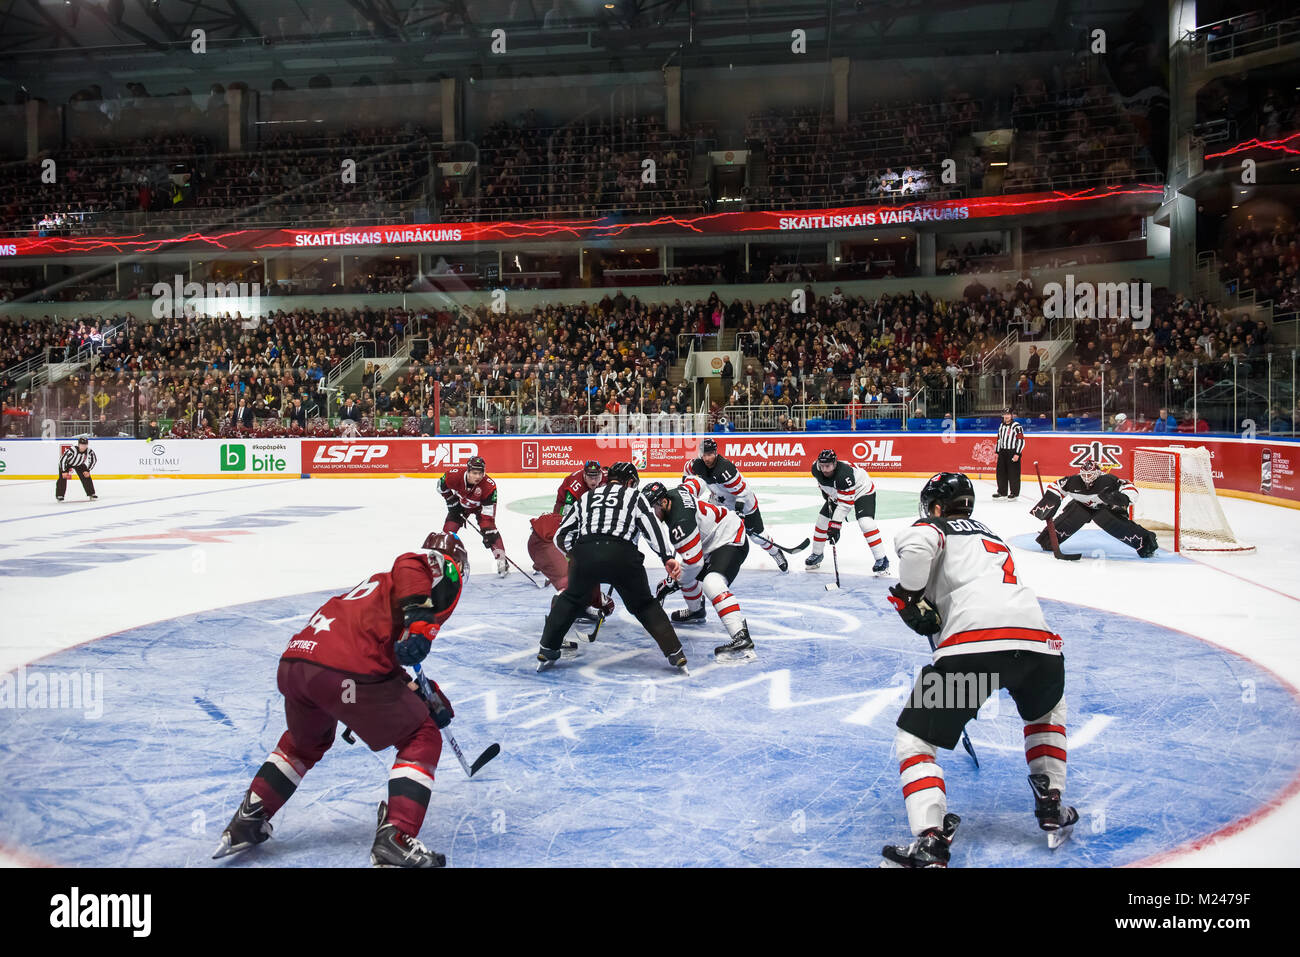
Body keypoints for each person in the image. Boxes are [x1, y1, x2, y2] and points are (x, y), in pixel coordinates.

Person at [213, 532, 469, 867]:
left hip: (298, 663)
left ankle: (249, 818)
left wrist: (421, 692)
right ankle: (396, 837)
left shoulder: (375, 595)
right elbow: (412, 561)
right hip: (345, 668)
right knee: (421, 736)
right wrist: (419, 622)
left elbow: (380, 656)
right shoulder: (428, 565)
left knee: (302, 746)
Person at [881, 473, 1075, 867]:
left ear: (936, 506)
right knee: (1046, 715)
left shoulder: (932, 525)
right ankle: (1052, 801)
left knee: (915, 741)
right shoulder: (992, 536)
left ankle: (931, 838)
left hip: (974, 649)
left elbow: (917, 550)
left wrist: (908, 595)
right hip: (1040, 644)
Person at [535, 462, 688, 674]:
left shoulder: (587, 497)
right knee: (644, 605)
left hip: (585, 554)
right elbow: (652, 529)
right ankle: (675, 652)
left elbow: (562, 534)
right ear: (631, 481)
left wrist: (576, 555)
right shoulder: (635, 497)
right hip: (622, 555)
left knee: (571, 599)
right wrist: (667, 557)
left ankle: (547, 648)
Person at [644, 477, 755, 662]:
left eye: (653, 509)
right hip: (714, 536)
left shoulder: (680, 524)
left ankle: (740, 636)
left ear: (663, 502)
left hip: (729, 538)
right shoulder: (678, 491)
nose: (653, 515)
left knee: (710, 582)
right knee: (683, 570)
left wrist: (670, 583)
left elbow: (695, 564)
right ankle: (696, 611)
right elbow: (698, 482)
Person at [683, 437, 787, 573]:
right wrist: (687, 493)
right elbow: (687, 472)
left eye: (710, 454)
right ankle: (707, 560)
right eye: (704, 455)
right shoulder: (696, 465)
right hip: (719, 501)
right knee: (710, 530)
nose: (707, 458)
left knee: (756, 537)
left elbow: (742, 493)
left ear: (715, 453)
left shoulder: (726, 469)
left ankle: (775, 552)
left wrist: (739, 515)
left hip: (745, 503)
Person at [1030, 458, 1159, 557]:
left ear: (1098, 473)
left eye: (1090, 475)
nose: (1087, 478)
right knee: (1073, 515)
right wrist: (1050, 501)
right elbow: (1056, 486)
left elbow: (1131, 489)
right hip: (1080, 507)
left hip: (1104, 509)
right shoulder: (1072, 481)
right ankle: (1047, 540)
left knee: (1115, 523)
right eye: (1084, 475)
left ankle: (1147, 544)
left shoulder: (1108, 481)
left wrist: (1120, 498)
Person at [805, 448, 889, 573]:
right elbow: (823, 484)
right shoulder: (815, 469)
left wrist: (835, 525)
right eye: (822, 466)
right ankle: (817, 554)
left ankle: (882, 559)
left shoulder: (844, 475)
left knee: (865, 522)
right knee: (822, 521)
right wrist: (827, 494)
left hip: (862, 490)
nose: (824, 470)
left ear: (834, 463)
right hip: (838, 493)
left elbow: (845, 505)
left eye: (827, 466)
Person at [438, 455, 509, 576]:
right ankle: (448, 561)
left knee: (491, 533)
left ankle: (502, 561)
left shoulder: (489, 486)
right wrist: (451, 500)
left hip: (480, 508)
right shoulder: (454, 475)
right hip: (460, 505)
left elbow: (488, 512)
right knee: (448, 533)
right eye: (474, 473)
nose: (478, 476)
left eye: (480, 473)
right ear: (468, 471)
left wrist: (487, 531)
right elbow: (441, 486)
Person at [992, 408, 1024, 500]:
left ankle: (1014, 493)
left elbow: (1021, 440)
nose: (1006, 416)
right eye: (1005, 414)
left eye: (1008, 414)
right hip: (1002, 452)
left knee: (1013, 473)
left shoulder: (1016, 426)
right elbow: (999, 439)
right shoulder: (1001, 425)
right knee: (1001, 473)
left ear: (1011, 415)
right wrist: (998, 451)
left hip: (1012, 451)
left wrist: (1017, 453)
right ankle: (1002, 492)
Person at [56, 436, 97, 502]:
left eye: (85, 445)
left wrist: (88, 470)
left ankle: (91, 493)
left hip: (79, 464)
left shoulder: (89, 451)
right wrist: (64, 471)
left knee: (86, 476)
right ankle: (60, 495)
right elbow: (62, 460)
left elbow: (93, 460)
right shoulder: (72, 450)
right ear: (78, 445)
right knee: (62, 478)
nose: (83, 446)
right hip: (67, 464)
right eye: (82, 445)